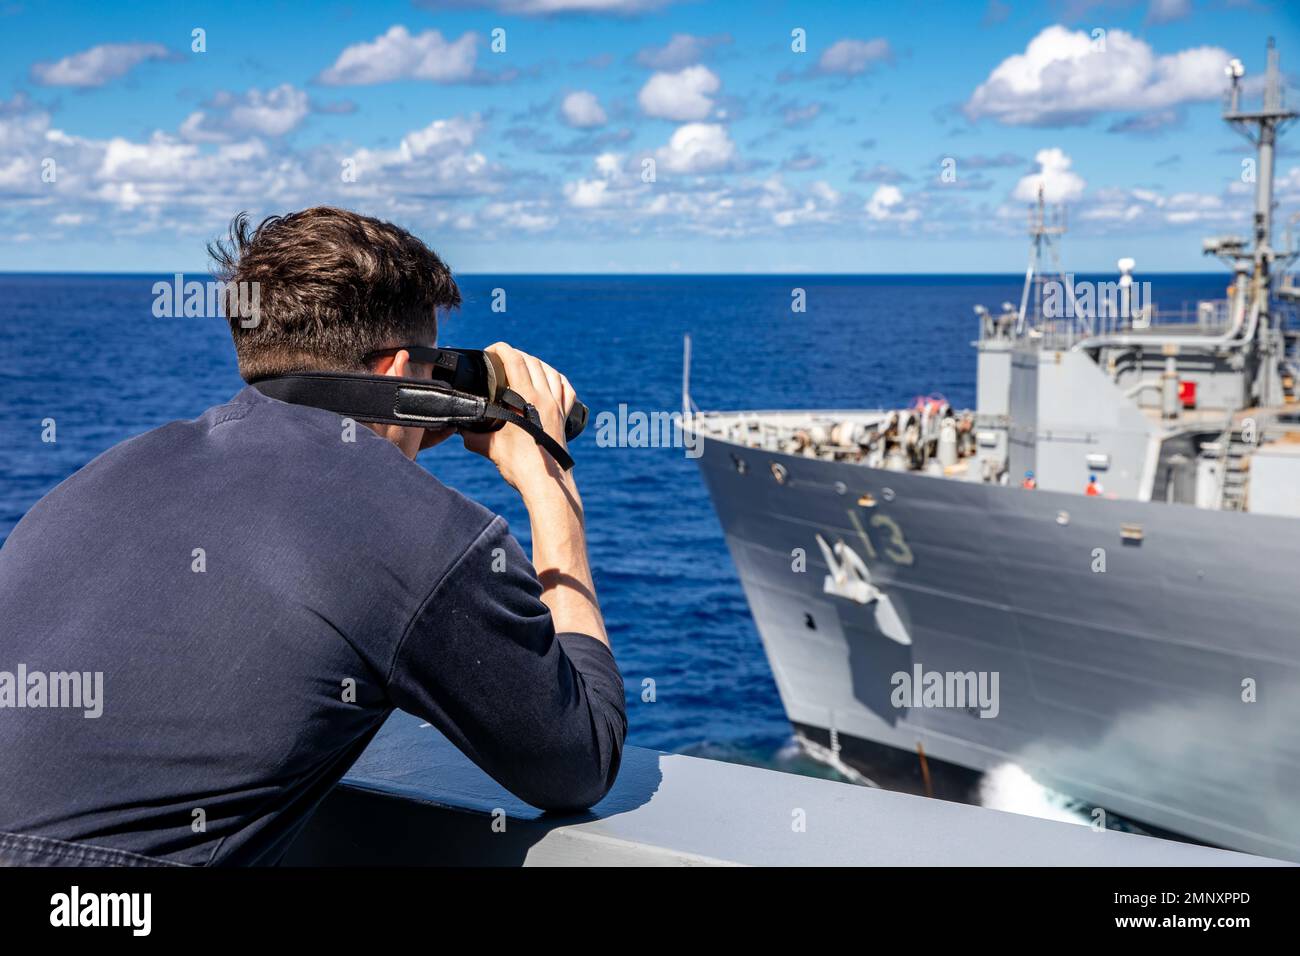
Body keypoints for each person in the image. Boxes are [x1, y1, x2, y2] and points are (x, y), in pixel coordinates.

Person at [0, 207, 626, 866]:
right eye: (434, 367)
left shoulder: (101, 478)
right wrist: (550, 485)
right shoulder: (421, 531)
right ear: (395, 373)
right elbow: (582, 757)